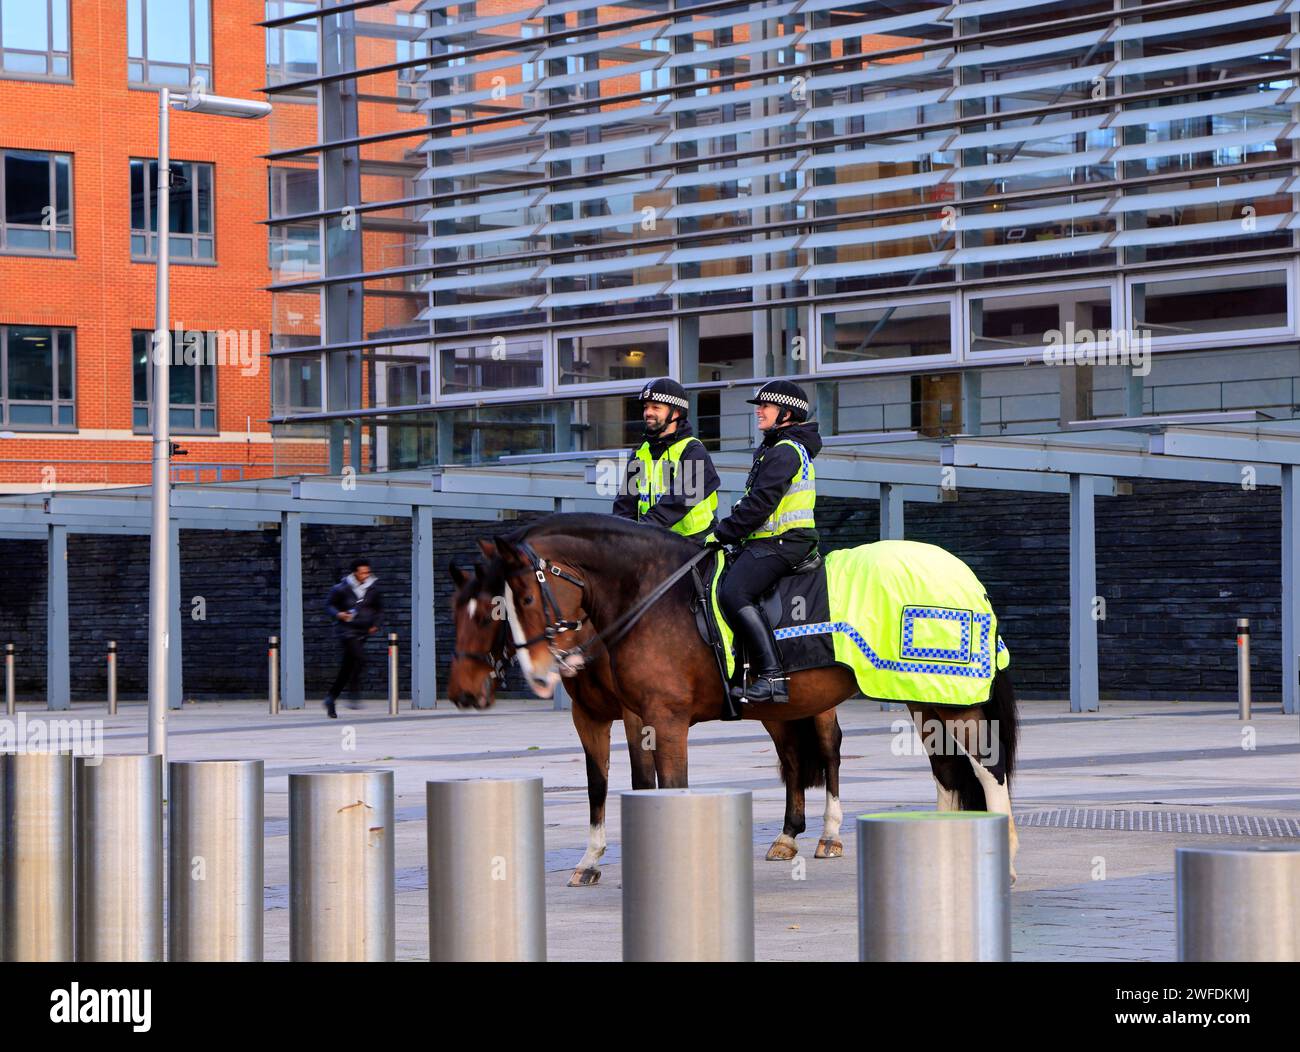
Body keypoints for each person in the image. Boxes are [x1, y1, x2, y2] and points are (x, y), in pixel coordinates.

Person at [713, 380, 821, 704]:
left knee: (734, 592)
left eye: (766, 406)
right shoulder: (776, 448)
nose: (758, 411)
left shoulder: (785, 451)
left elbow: (759, 505)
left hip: (785, 542)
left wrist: (720, 533)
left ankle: (773, 677)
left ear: (786, 413)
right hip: (769, 541)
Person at [612, 377, 721, 544]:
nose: (648, 412)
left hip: (693, 544)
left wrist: (638, 532)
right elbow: (625, 505)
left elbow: (678, 502)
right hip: (653, 540)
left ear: (676, 412)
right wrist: (618, 534)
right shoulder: (641, 453)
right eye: (646, 407)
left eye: (656, 407)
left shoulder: (693, 450)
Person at [322, 558, 382, 718]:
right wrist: (338, 614)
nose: (365, 575)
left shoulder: (373, 589)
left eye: (367, 572)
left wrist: (374, 623)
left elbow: (378, 608)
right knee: (360, 659)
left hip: (363, 631)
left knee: (346, 669)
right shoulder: (341, 589)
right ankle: (354, 691)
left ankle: (331, 699)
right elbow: (328, 605)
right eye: (362, 572)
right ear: (355, 573)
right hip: (346, 631)